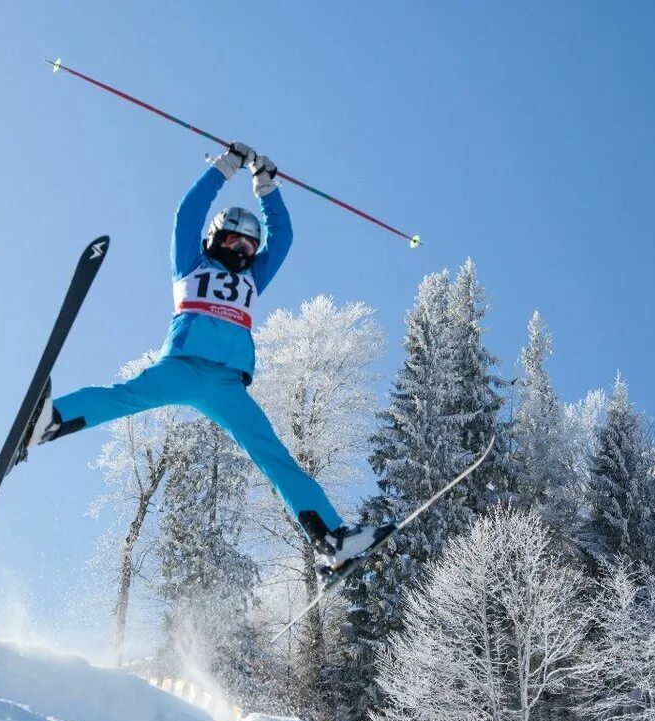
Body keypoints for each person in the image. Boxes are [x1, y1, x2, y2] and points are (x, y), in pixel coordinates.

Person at [20, 142, 391, 573]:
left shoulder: (254, 277)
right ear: (215, 239)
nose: (243, 252)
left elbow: (284, 237)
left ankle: (329, 538)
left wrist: (267, 186)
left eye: (251, 246)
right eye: (235, 241)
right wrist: (226, 167)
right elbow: (187, 214)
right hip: (182, 364)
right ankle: (52, 421)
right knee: (122, 396)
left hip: (226, 384)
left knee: (271, 452)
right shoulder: (191, 263)